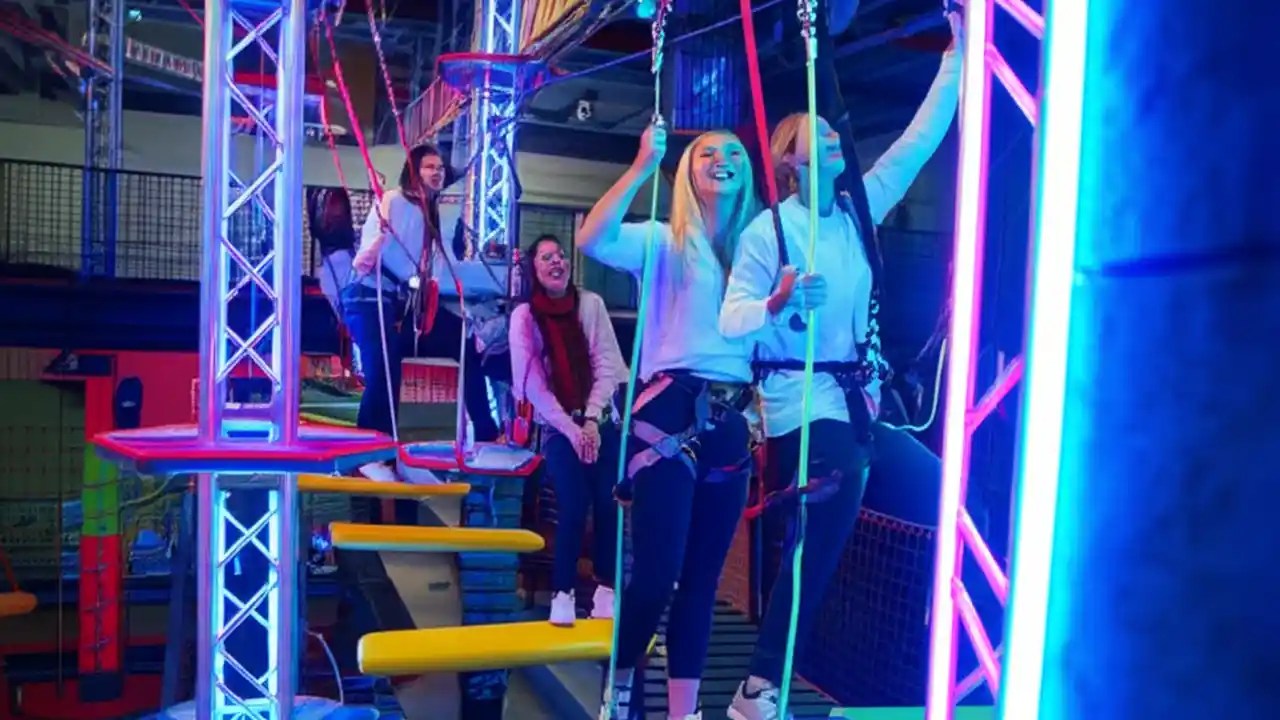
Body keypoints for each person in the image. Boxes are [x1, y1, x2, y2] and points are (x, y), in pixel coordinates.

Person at [718, 11, 964, 719]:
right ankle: (760, 685)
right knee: (815, 544)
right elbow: (731, 321)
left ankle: (918, 648)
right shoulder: (769, 231)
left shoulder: (857, 214)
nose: (836, 140)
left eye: (834, 134)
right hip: (802, 408)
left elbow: (917, 142)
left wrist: (957, 52)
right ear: (793, 160)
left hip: (855, 405)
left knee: (937, 492)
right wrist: (777, 302)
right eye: (821, 136)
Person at [578, 125, 759, 720]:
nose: (721, 160)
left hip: (729, 416)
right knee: (656, 576)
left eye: (733, 152)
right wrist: (640, 166)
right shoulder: (664, 240)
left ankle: (685, 712)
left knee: (701, 581)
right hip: (669, 409)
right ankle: (618, 688)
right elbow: (593, 238)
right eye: (707, 152)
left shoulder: (758, 250)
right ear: (686, 170)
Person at [344, 144, 503, 496]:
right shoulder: (394, 201)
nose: (437, 172)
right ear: (414, 172)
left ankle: (484, 432)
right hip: (369, 297)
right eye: (429, 166)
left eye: (440, 168)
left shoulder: (435, 213)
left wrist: (469, 297)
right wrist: (375, 253)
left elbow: (439, 266)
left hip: (404, 304)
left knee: (460, 341)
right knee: (384, 370)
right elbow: (378, 249)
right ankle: (368, 450)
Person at [508, 233, 626, 627]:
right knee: (573, 504)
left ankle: (606, 592)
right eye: (546, 257)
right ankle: (563, 594)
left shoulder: (591, 304)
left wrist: (591, 419)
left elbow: (607, 365)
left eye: (560, 255)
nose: (557, 262)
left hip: (598, 421)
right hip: (557, 427)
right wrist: (572, 429)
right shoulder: (525, 317)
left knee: (609, 502)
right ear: (534, 269)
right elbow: (532, 385)